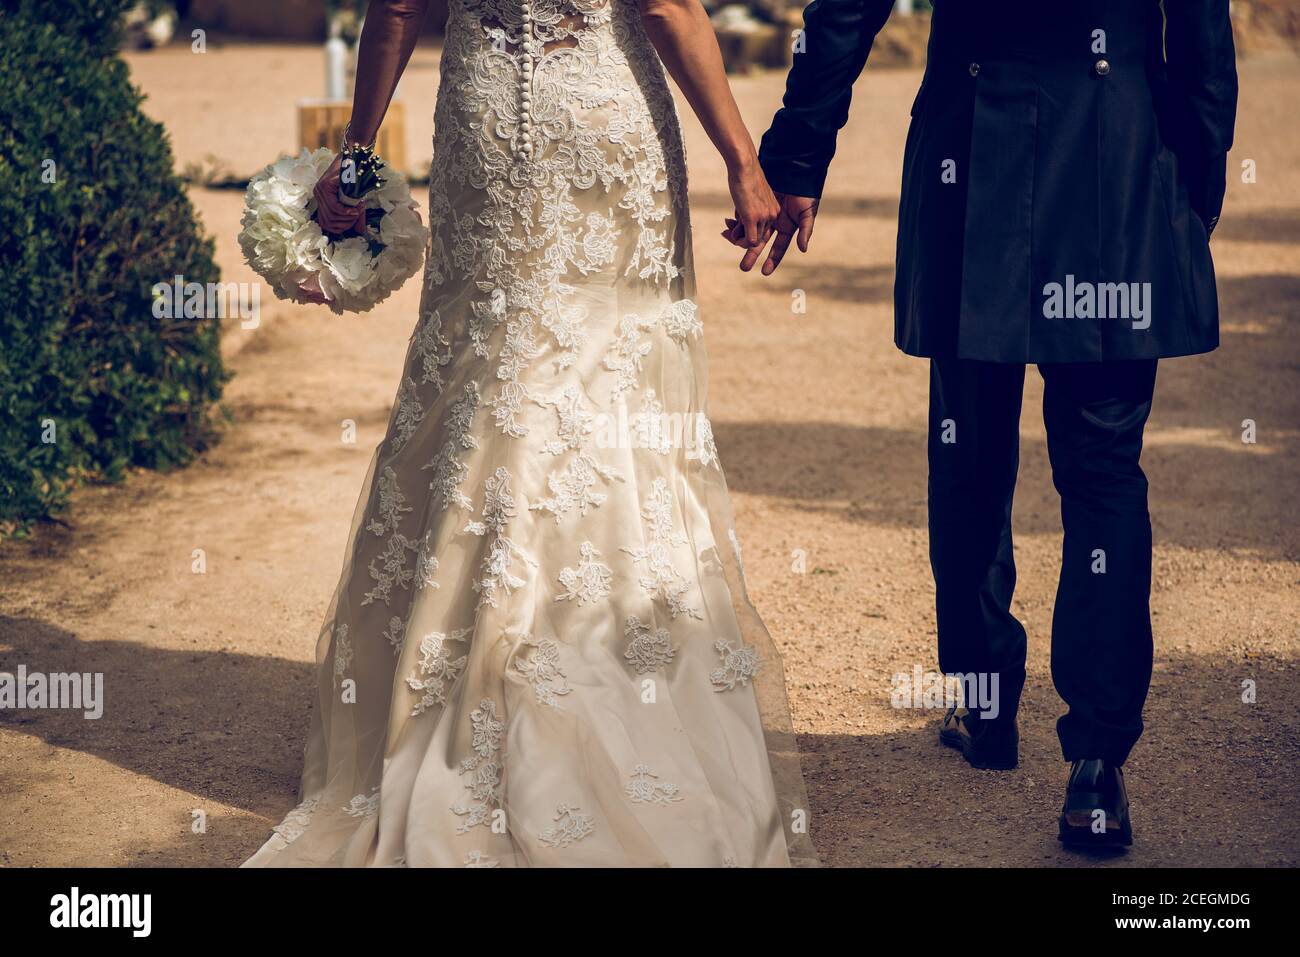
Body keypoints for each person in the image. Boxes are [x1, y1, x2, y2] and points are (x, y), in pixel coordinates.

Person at [243, 0, 817, 867]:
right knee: (606, 378)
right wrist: (745, 160)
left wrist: (355, 158)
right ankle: (607, 665)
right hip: (603, 116)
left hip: (484, 117)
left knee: (490, 369)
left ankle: (462, 671)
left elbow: (397, 7)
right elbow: (665, 7)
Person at [749, 0, 1237, 847]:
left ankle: (984, 703)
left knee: (968, 443)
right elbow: (1200, 26)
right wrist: (1196, 167)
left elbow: (848, 9)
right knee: (1103, 466)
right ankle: (1097, 768)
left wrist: (799, 150)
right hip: (1116, 150)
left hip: (975, 149)